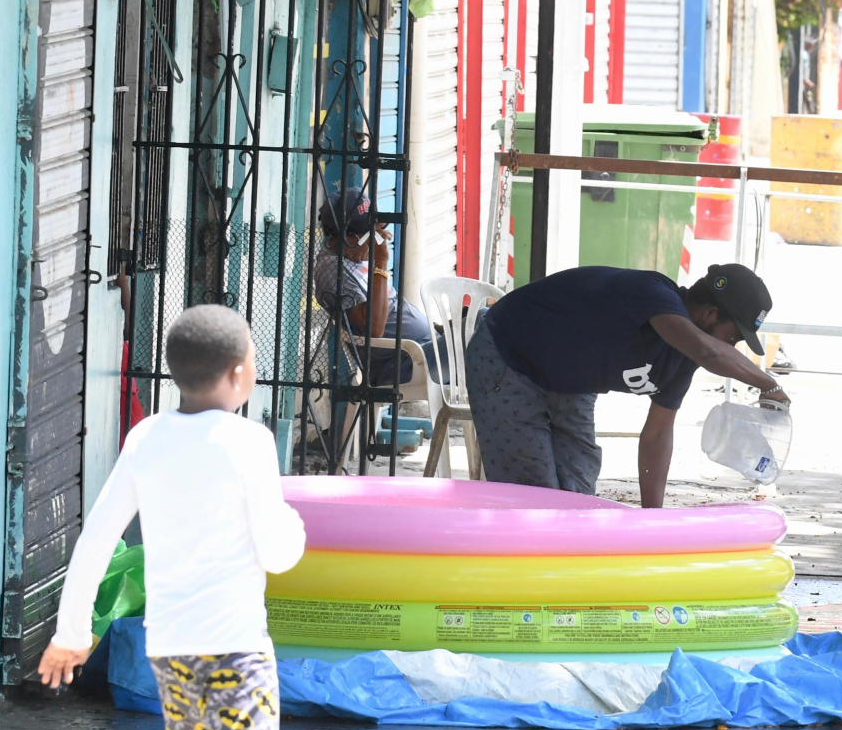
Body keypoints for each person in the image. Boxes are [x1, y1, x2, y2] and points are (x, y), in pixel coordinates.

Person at [38, 305, 305, 730]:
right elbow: (277, 554)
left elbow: (98, 538)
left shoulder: (146, 438)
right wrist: (294, 525)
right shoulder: (248, 443)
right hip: (237, 647)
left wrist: (73, 631)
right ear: (241, 372)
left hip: (171, 649)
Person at [465, 263, 788, 507]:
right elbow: (708, 350)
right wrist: (768, 385)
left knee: (578, 491)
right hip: (509, 356)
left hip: (570, 382)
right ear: (709, 314)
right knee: (533, 491)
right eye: (733, 337)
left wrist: (652, 517)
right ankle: (527, 585)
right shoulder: (651, 294)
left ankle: (567, 580)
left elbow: (657, 433)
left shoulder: (683, 358)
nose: (732, 348)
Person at [311, 186, 442, 378]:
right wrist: (380, 263)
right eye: (371, 233)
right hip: (402, 362)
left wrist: (439, 328)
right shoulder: (333, 269)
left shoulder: (356, 255)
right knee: (479, 339)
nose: (380, 238)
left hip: (424, 345)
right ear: (350, 238)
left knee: (481, 319)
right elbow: (374, 328)